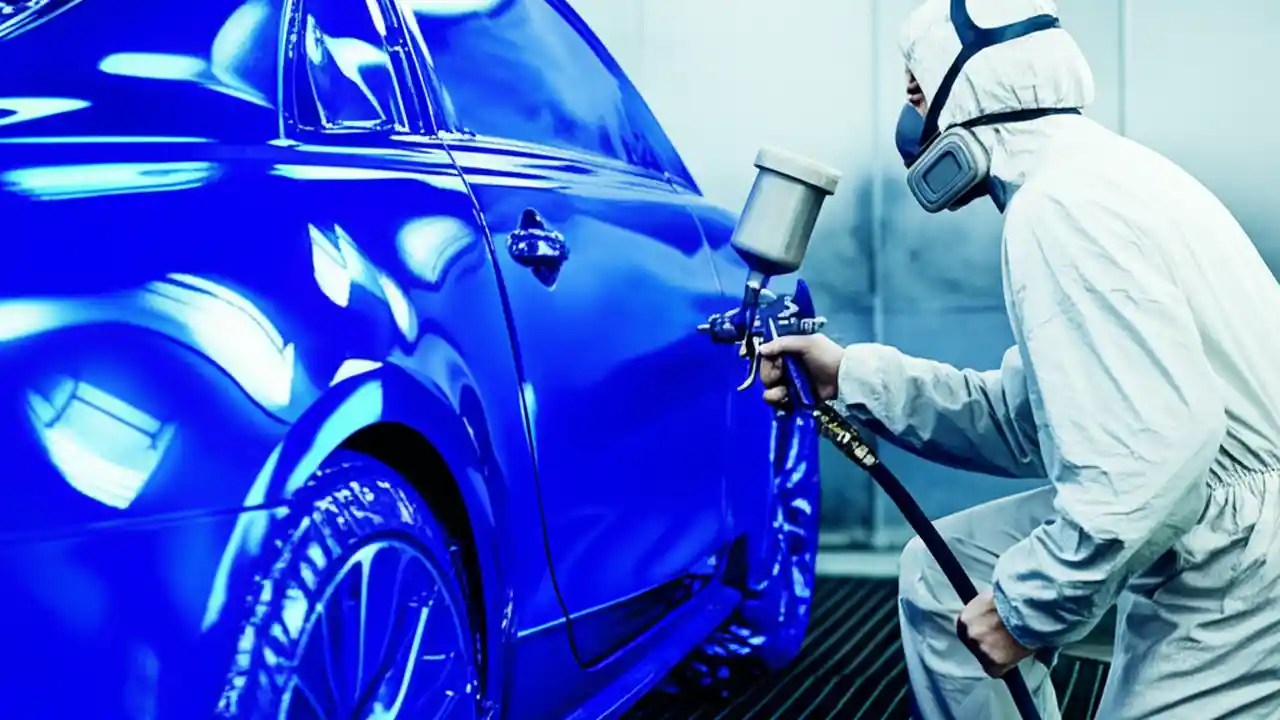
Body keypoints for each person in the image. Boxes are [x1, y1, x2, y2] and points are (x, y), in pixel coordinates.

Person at [758, 0, 1280, 717]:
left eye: (916, 90)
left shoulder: (1061, 209)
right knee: (946, 581)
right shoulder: (1098, 172)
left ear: (968, 89)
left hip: (1239, 556)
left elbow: (1156, 456)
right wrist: (849, 376)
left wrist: (1026, 608)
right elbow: (1029, 419)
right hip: (1198, 505)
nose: (909, 119)